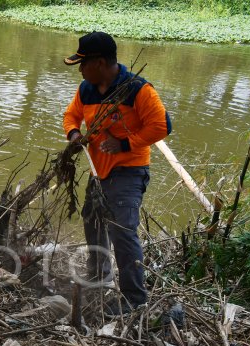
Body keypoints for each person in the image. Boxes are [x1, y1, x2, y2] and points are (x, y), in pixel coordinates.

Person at [63, 31, 171, 316]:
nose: (80, 70)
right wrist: (74, 133)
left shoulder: (137, 89)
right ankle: (99, 276)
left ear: (99, 63)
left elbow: (161, 126)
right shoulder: (86, 90)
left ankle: (135, 300)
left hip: (129, 170)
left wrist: (125, 143)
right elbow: (70, 116)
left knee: (122, 232)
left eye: (82, 64)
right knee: (93, 220)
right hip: (99, 172)